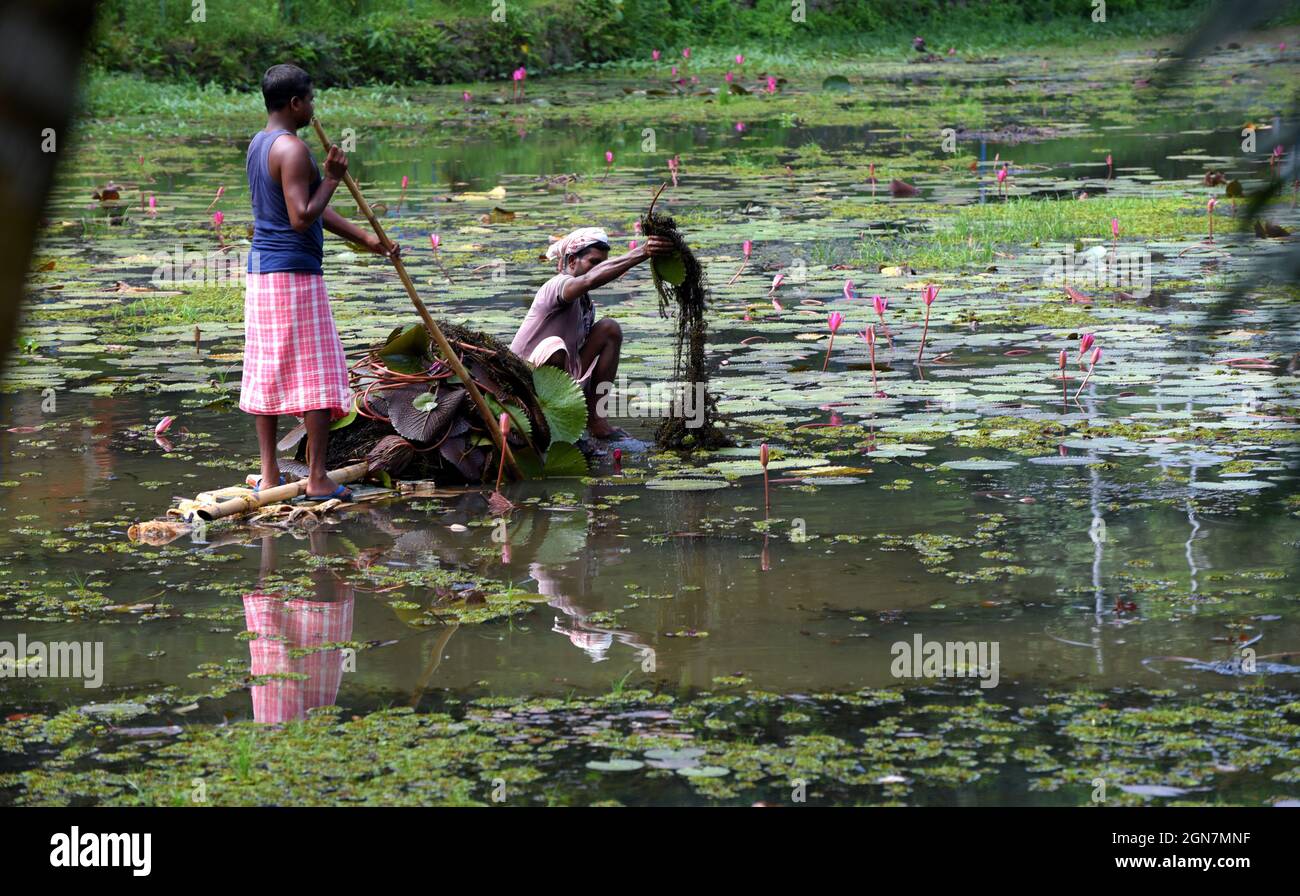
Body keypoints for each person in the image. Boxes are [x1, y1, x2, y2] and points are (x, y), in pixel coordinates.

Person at [239, 63, 400, 501]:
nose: (313, 108)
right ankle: (316, 479)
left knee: (267, 371)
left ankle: (269, 474)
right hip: (293, 274)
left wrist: (368, 239)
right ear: (295, 104)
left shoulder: (260, 143)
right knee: (318, 374)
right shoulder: (292, 150)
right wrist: (332, 177)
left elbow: (310, 207)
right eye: (310, 100)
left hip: (264, 274)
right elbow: (301, 216)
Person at [510, 227, 673, 440]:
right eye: (594, 263)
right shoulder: (557, 286)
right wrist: (642, 252)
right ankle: (555, 427)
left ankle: (597, 422)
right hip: (525, 378)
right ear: (571, 262)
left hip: (564, 383)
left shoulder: (586, 303)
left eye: (603, 264)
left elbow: (589, 284)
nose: (599, 269)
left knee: (609, 329)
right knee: (554, 346)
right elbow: (588, 280)